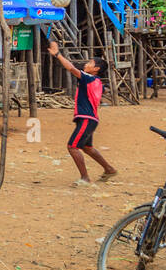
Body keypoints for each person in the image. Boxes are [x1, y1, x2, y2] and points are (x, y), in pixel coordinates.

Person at [48, 40, 117, 185]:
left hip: (87, 118)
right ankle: (109, 169)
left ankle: (85, 178)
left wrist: (58, 55)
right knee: (87, 147)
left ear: (96, 69)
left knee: (72, 146)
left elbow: (72, 69)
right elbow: (103, 90)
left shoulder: (88, 78)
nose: (86, 64)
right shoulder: (97, 82)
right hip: (91, 119)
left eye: (90, 63)